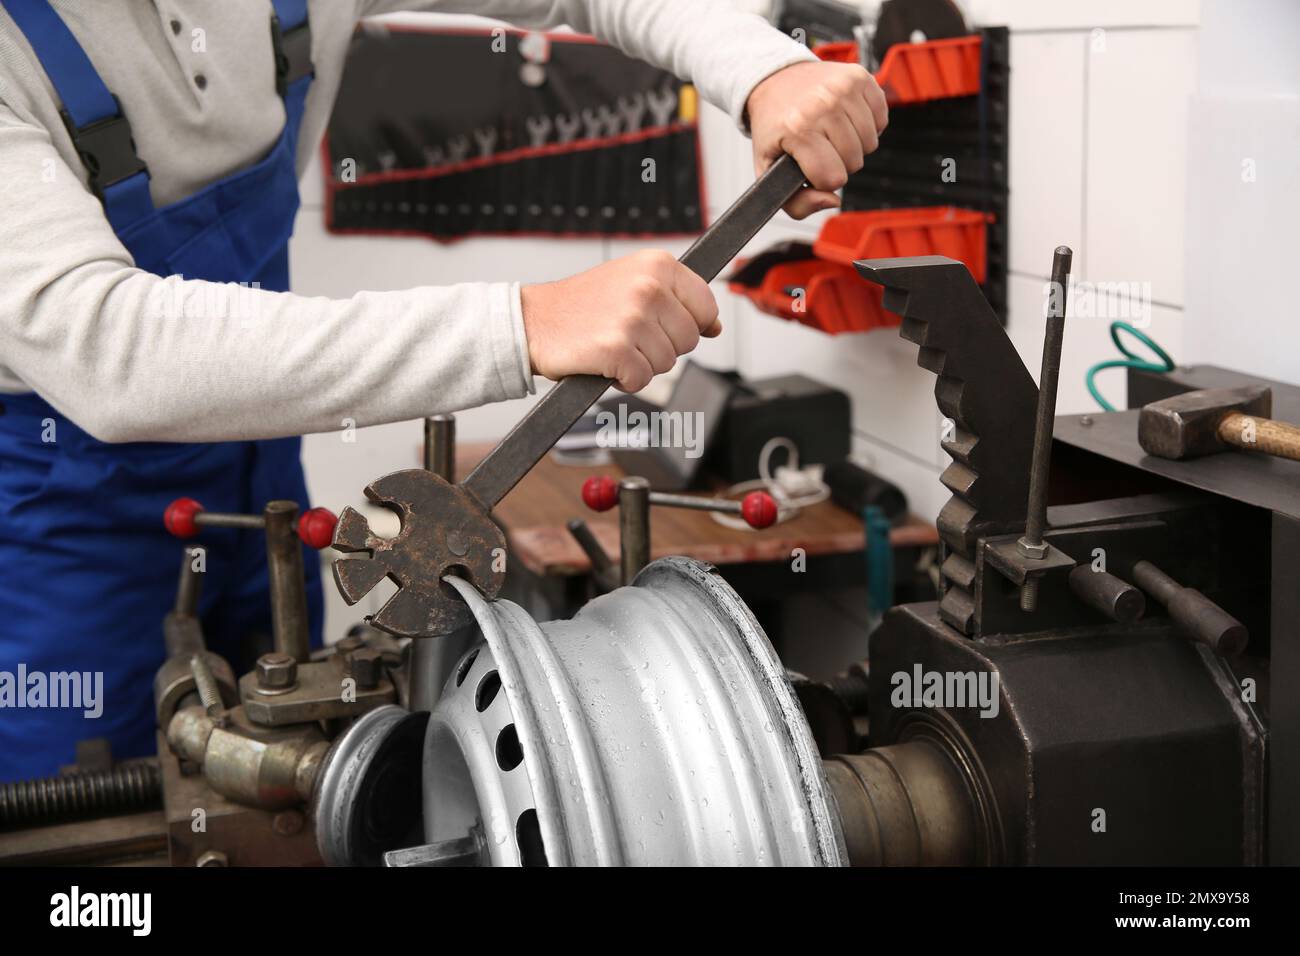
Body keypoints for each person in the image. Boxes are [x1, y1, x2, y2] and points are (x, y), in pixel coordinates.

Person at [0, 0, 887, 780]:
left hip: (255, 455)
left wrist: (762, 65)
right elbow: (109, 353)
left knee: (285, 760)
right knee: (98, 816)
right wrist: (522, 325)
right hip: (65, 514)